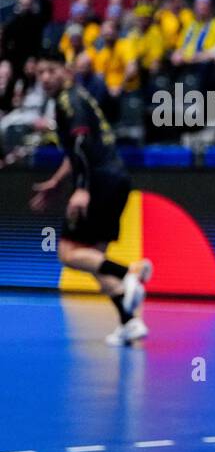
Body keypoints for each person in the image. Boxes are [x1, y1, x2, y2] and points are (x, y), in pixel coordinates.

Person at [26, 53, 153, 345]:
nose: (44, 77)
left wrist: (81, 188)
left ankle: (130, 271)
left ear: (65, 71)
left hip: (98, 183)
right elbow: (77, 151)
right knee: (94, 259)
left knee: (69, 253)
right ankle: (129, 322)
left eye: (51, 70)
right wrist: (58, 182)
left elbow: (82, 144)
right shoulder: (76, 99)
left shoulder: (69, 101)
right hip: (115, 179)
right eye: (40, 72)